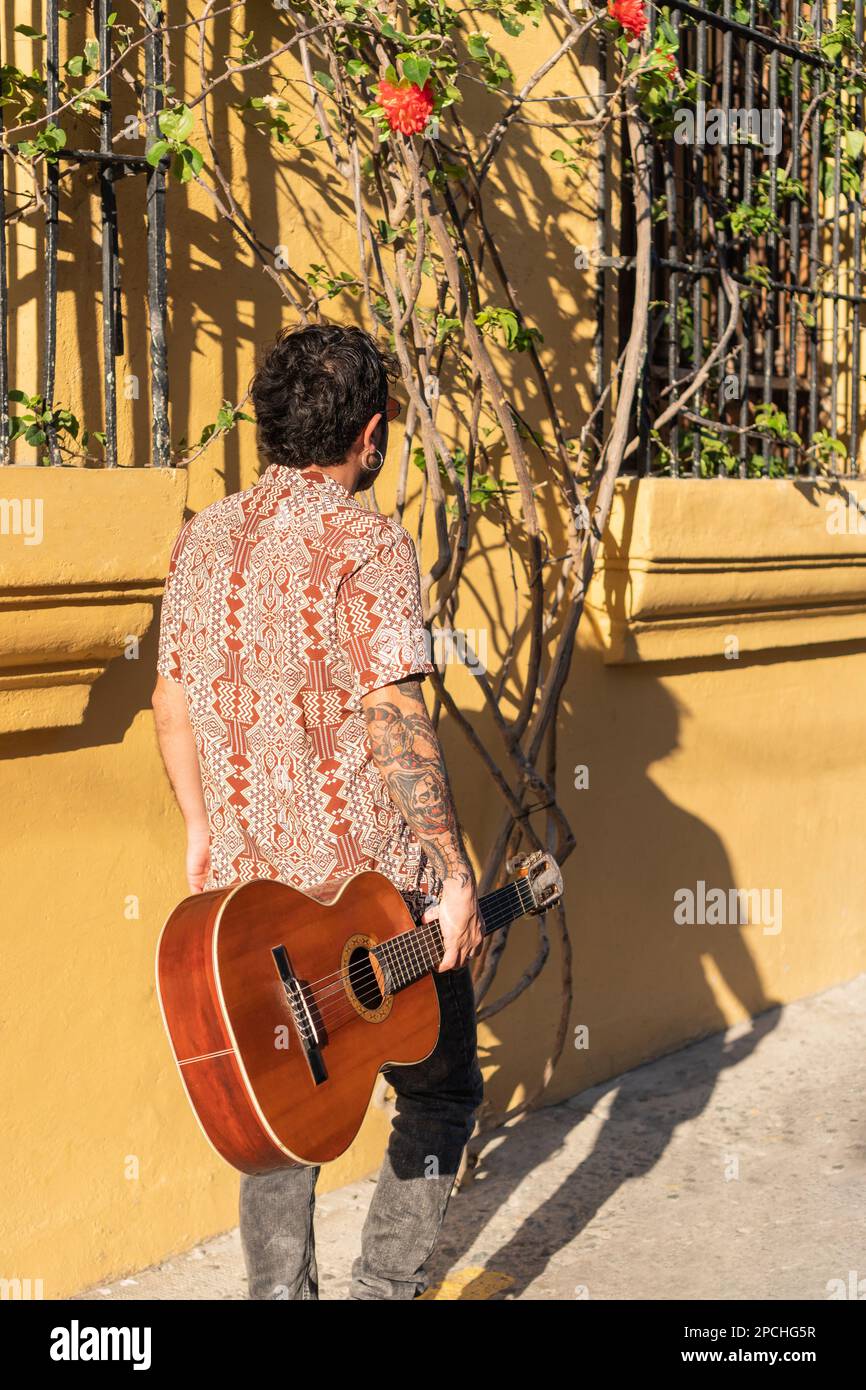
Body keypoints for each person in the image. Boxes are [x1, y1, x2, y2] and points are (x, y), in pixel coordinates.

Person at [151, 323, 484, 1300]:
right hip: (376, 902)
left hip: (250, 914)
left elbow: (171, 703)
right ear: (370, 436)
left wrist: (200, 830)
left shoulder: (201, 541)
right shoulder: (368, 541)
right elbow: (392, 712)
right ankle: (381, 1291)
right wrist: (455, 877)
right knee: (440, 1087)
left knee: (275, 1124)